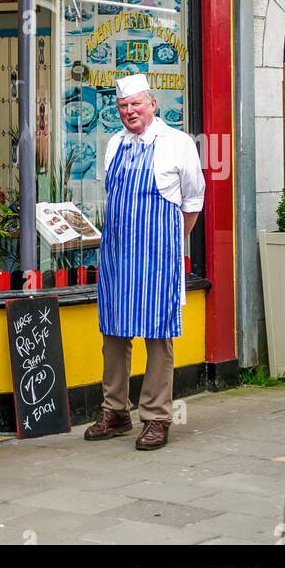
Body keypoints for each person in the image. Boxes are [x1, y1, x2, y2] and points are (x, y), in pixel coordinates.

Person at [84, 73, 205, 451]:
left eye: (136, 104)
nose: (129, 111)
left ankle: (155, 417)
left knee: (157, 333)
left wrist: (169, 244)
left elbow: (193, 202)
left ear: (153, 103)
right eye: (123, 105)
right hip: (119, 253)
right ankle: (115, 411)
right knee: (115, 332)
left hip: (158, 255)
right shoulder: (115, 144)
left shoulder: (178, 143)